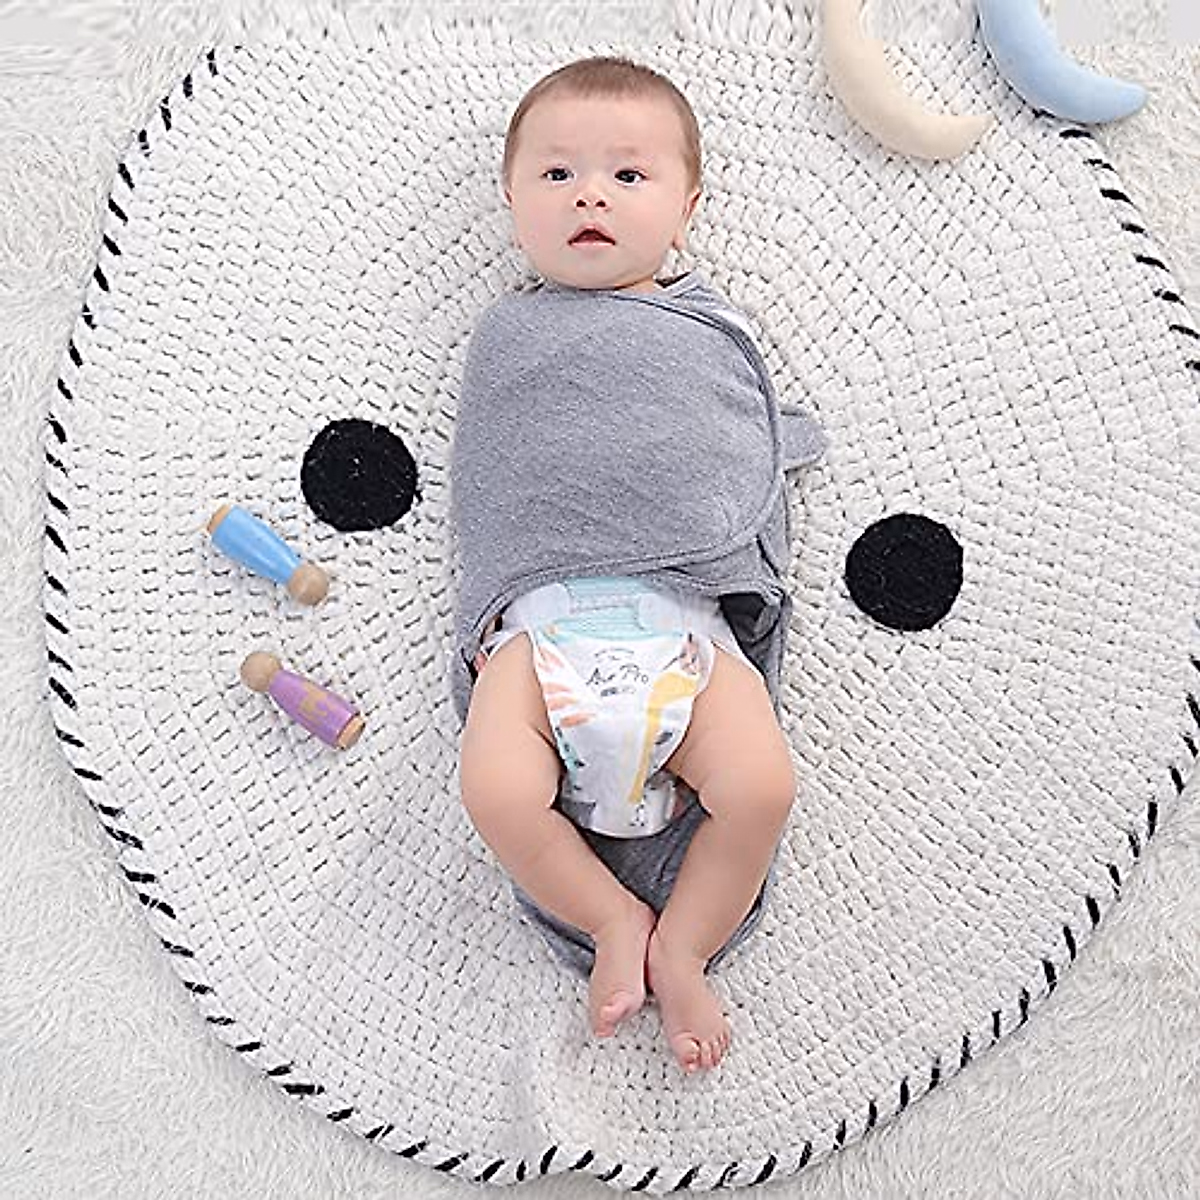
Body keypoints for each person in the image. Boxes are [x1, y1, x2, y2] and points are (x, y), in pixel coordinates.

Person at [450, 56, 818, 1076]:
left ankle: (683, 947)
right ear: (513, 202)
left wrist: (759, 456)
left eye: (628, 175)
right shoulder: (510, 340)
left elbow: (724, 446)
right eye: (557, 174)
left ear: (686, 208)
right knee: (494, 789)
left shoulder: (708, 335)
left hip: (683, 624)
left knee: (762, 787)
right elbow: (498, 479)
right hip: (543, 629)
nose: (591, 197)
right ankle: (612, 915)